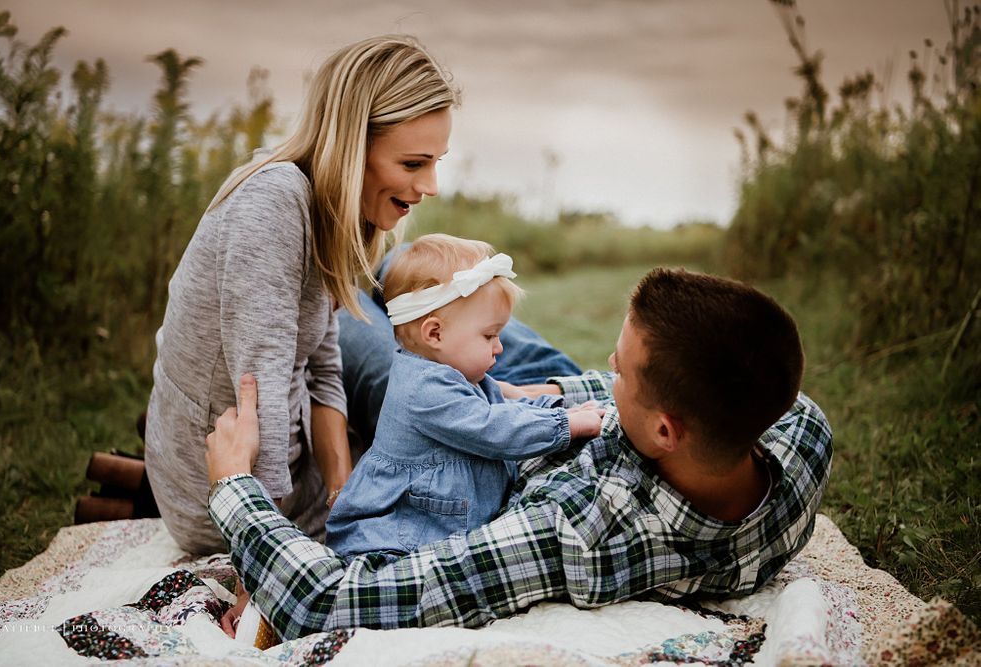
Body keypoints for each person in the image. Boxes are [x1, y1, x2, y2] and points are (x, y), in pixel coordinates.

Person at [205, 267, 833, 639]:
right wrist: (553, 390)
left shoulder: (574, 534)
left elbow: (330, 602)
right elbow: (618, 393)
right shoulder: (798, 435)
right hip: (539, 399)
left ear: (668, 432)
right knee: (418, 267)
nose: (607, 363)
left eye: (622, 367)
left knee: (342, 303)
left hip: (460, 432)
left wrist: (236, 488)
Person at [144, 34, 460, 555]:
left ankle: (542, 394)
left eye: (436, 162)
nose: (431, 185)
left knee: (450, 295)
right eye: (413, 164)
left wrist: (342, 489)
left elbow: (324, 368)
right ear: (354, 145)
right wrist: (263, 559)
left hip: (295, 473)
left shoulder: (330, 214)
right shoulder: (273, 202)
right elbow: (259, 395)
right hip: (224, 501)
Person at [325, 234, 604, 557]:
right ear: (435, 333)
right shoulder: (423, 389)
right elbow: (493, 426)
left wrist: (559, 408)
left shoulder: (454, 372)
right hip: (396, 535)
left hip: (432, 522)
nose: (500, 347)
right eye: (489, 335)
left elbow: (507, 405)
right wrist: (565, 425)